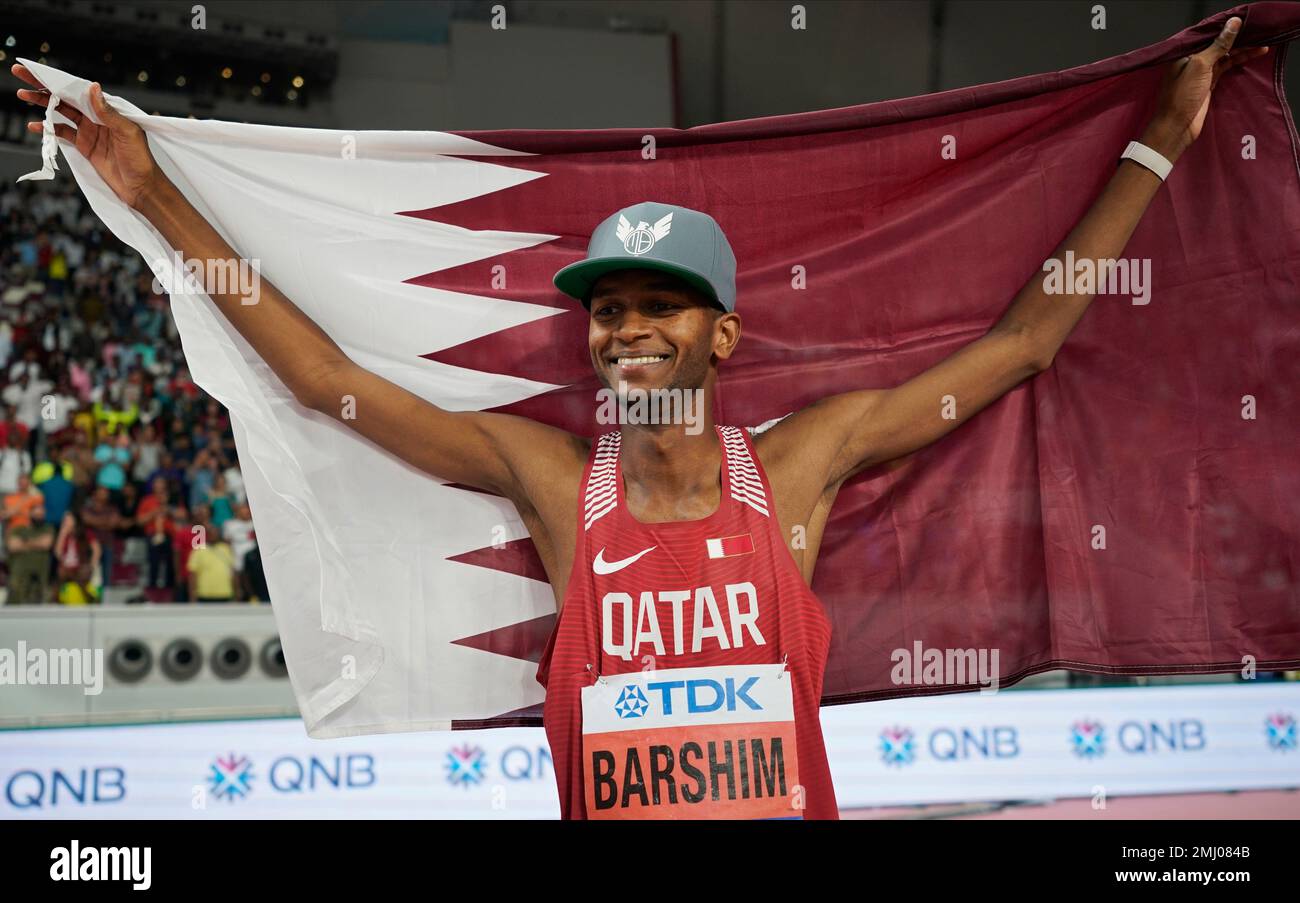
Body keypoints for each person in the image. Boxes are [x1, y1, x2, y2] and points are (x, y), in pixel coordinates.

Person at [10, 19, 1264, 818]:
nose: (627, 329)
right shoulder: (555, 481)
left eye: (663, 305)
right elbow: (325, 383)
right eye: (607, 310)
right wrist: (155, 193)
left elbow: (1023, 345)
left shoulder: (800, 462)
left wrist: (1156, 142)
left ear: (722, 336)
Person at [6, 500, 54, 604]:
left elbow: (46, 544)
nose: (39, 516)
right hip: (19, 576)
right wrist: (36, 543)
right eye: (36, 514)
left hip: (40, 575)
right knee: (15, 599)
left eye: (41, 514)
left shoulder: (48, 528)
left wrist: (24, 543)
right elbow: (13, 546)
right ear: (30, 514)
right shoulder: (19, 529)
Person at [186, 523, 236, 603]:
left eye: (215, 533)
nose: (213, 535)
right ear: (206, 535)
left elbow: (232, 572)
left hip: (225, 593)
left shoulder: (226, 549)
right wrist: (192, 596)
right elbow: (193, 575)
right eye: (210, 533)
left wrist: (236, 593)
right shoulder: (198, 550)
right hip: (204, 594)